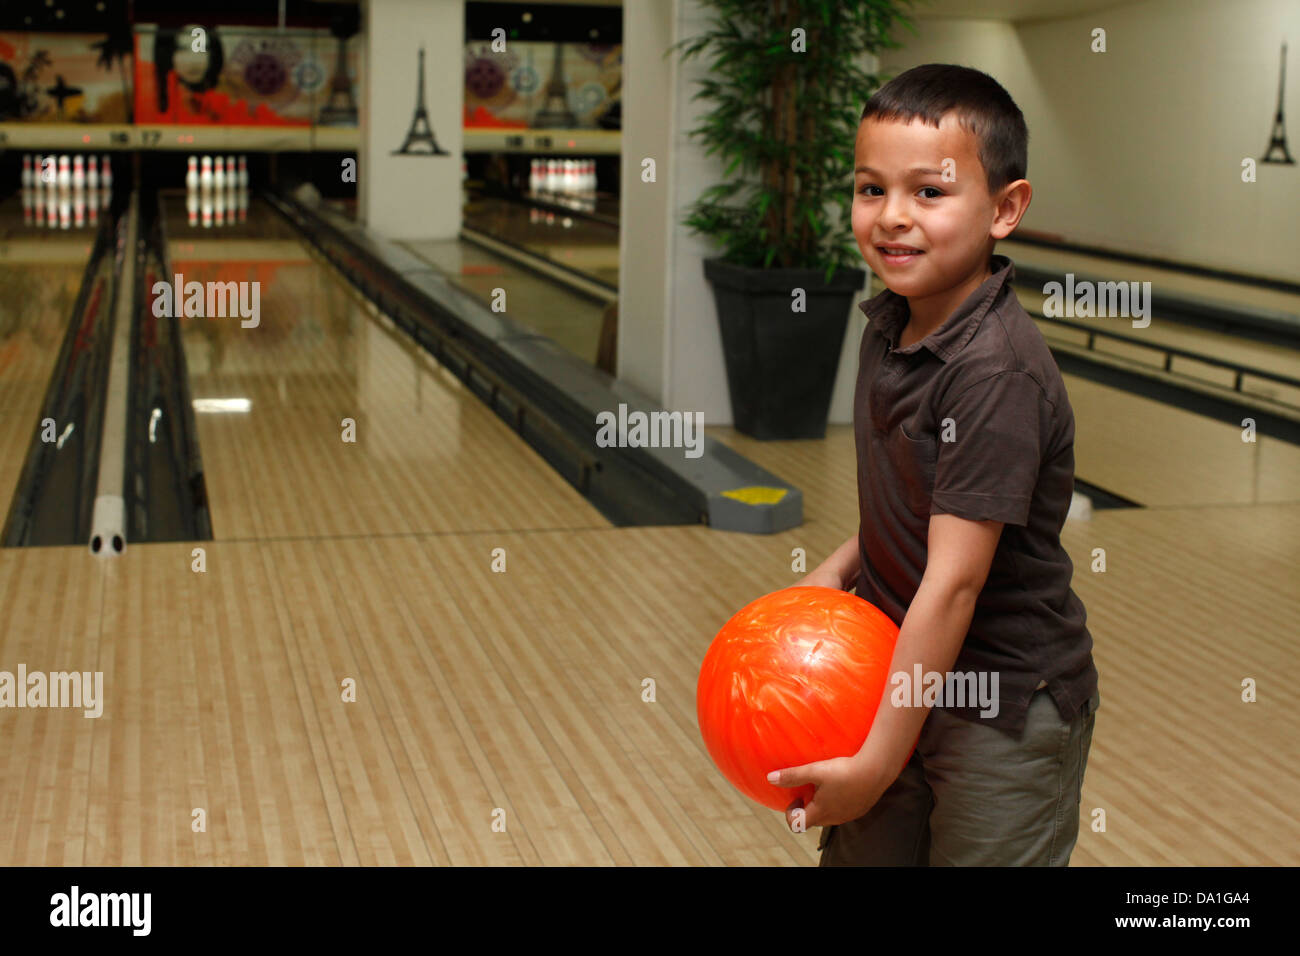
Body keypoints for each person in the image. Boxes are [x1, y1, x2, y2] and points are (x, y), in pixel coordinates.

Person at [769, 63, 1100, 866]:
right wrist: (829, 575)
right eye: (871, 189)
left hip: (1001, 705)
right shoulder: (890, 322)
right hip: (897, 667)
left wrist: (877, 761)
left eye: (929, 192)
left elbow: (953, 583)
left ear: (1005, 209)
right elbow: (910, 501)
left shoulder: (994, 372)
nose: (892, 218)